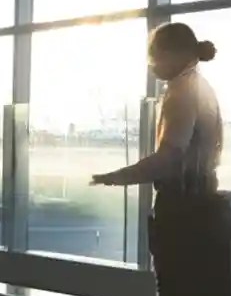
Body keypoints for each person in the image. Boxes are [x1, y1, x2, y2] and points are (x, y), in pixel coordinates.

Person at [90, 22, 222, 192]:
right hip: (200, 194)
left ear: (171, 56)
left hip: (183, 202)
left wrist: (114, 177)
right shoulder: (199, 86)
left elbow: (167, 159)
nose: (152, 66)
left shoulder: (182, 94)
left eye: (155, 57)